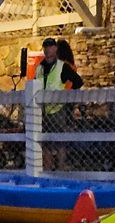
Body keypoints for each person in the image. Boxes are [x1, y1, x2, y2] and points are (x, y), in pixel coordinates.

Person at [35, 37, 82, 170]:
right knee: (46, 142)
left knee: (60, 141)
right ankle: (48, 168)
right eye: (45, 47)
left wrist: (66, 98)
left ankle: (60, 168)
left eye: (50, 46)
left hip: (58, 110)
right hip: (42, 110)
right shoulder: (39, 68)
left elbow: (78, 81)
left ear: (55, 49)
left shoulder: (62, 66)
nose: (48, 49)